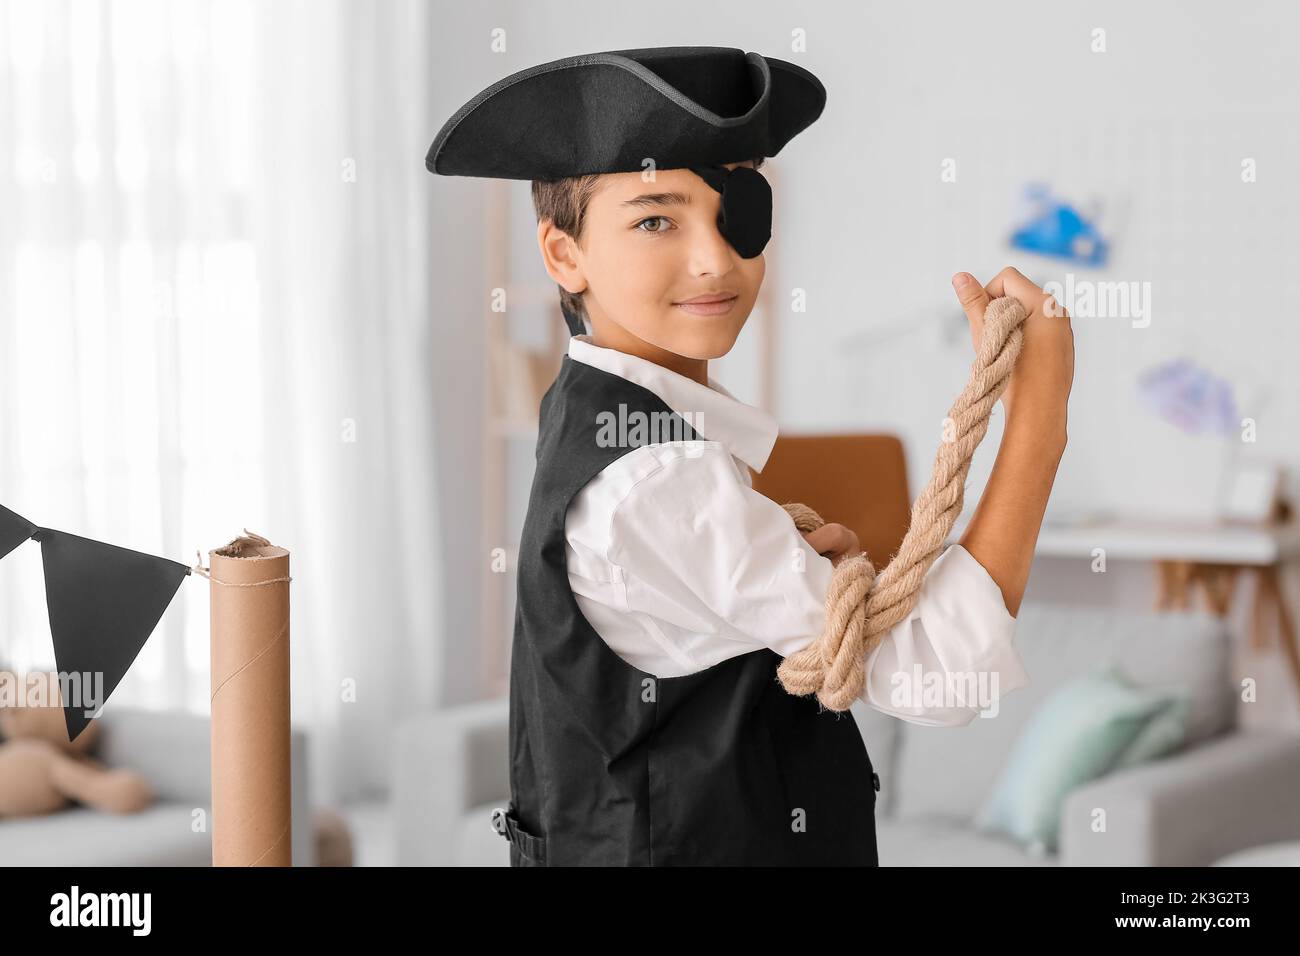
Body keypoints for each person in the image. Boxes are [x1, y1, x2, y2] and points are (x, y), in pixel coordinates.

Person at [425, 46, 1073, 865]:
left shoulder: (594, 419)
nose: (715, 257)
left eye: (736, 208)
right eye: (656, 218)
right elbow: (939, 673)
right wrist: (1041, 419)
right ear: (564, 254)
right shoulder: (660, 475)